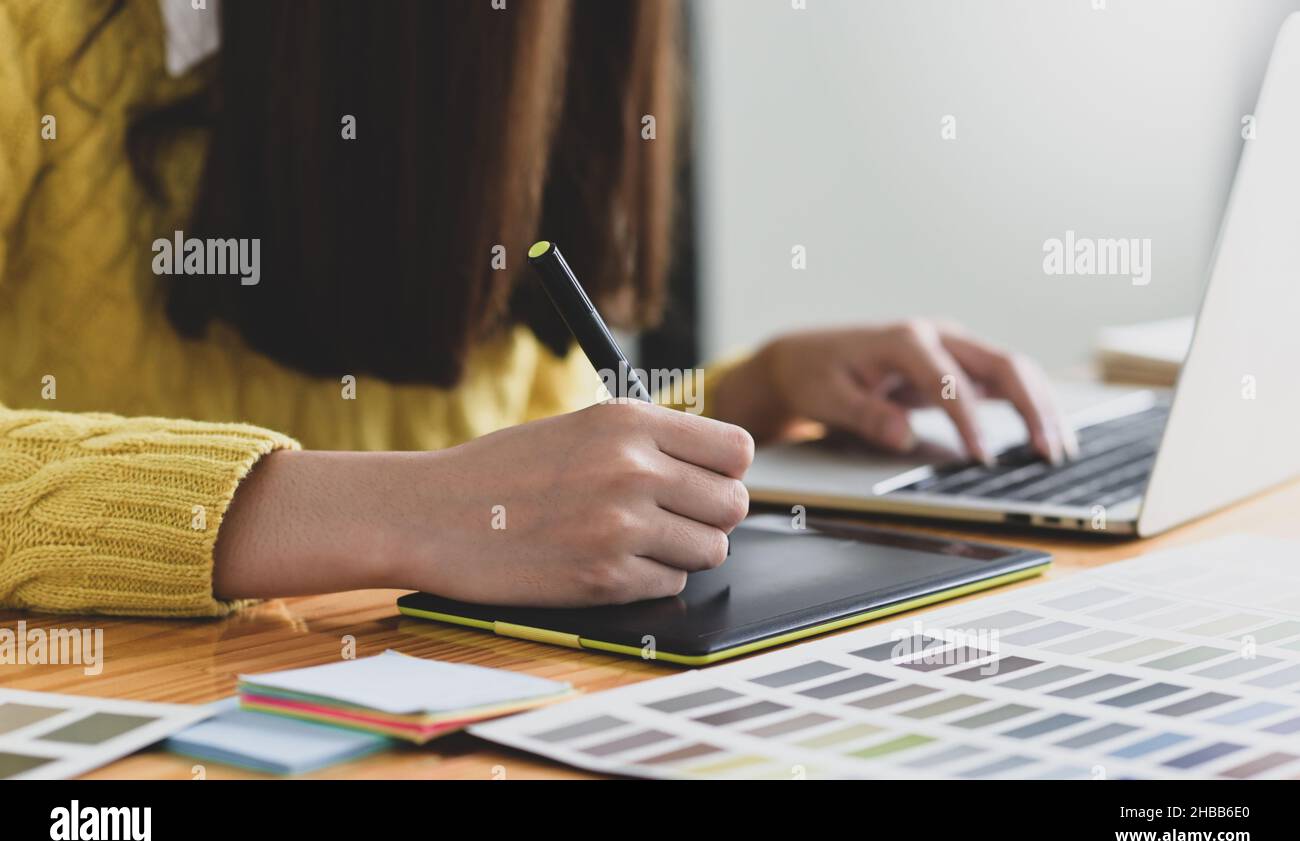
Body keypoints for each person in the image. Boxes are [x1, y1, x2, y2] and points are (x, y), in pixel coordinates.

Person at [0, 0, 1072, 617]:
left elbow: (508, 467)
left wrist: (753, 393)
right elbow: (465, 498)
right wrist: (412, 514)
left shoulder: (523, 43)